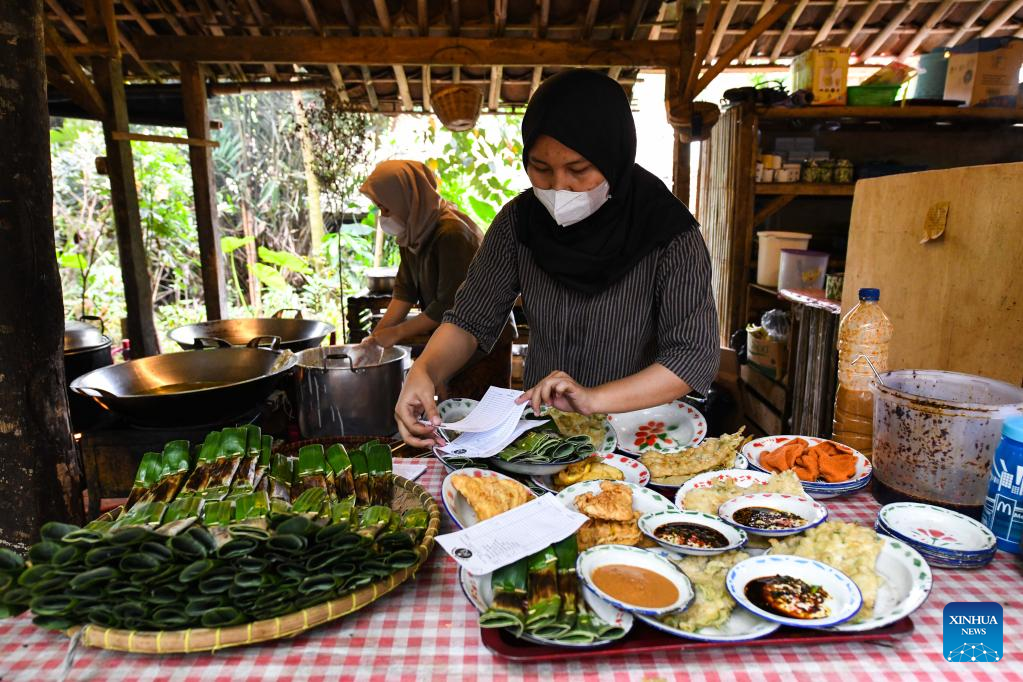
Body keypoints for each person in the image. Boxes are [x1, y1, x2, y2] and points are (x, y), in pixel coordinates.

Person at [395, 69, 720, 447]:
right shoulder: (519, 223)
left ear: (614, 156)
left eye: (578, 169)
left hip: (638, 439)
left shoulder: (669, 234)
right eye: (541, 168)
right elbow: (469, 319)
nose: (559, 186)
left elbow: (691, 356)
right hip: (544, 436)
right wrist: (425, 369)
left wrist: (593, 399)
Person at [358, 160, 483, 349]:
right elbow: (405, 293)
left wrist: (397, 333)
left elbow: (449, 305)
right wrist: (374, 339)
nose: (383, 216)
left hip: (482, 339)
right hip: (451, 336)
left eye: (386, 208)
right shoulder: (412, 232)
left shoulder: (451, 234)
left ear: (405, 200)